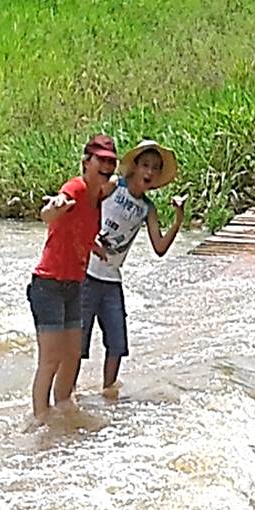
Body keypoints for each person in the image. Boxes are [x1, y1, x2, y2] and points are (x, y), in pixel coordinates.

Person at [77, 139, 186, 398]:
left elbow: (159, 248)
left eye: (155, 168)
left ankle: (108, 395)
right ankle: (68, 396)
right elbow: (87, 204)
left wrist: (178, 220)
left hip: (112, 280)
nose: (150, 172)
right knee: (78, 343)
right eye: (145, 165)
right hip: (87, 274)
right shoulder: (115, 185)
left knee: (117, 344)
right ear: (134, 167)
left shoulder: (147, 208)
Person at [27, 133, 117, 420]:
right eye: (101, 161)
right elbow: (50, 213)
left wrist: (94, 246)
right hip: (49, 285)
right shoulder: (75, 189)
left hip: (74, 285)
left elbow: (80, 228)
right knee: (50, 360)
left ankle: (64, 409)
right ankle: (41, 420)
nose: (107, 167)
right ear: (86, 162)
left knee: (72, 355)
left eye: (111, 162)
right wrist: (53, 207)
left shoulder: (97, 197)